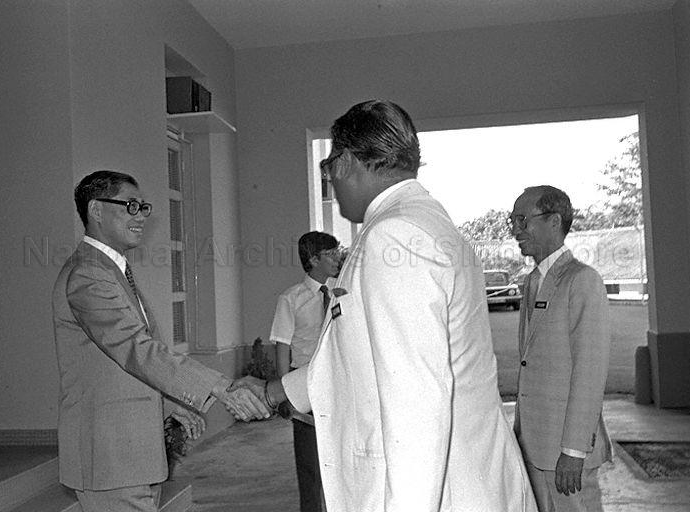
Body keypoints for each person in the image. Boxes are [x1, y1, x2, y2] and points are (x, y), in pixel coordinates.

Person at [239, 100, 537, 511]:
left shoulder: (395, 235)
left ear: (344, 162)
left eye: (328, 172)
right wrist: (274, 392)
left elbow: (416, 404)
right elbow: (356, 357)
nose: (332, 183)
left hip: (439, 488)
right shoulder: (422, 222)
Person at [52, 170, 270, 512]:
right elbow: (135, 350)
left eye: (143, 207)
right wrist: (220, 386)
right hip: (111, 455)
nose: (140, 216)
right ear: (96, 210)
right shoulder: (89, 275)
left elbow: (127, 360)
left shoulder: (111, 270)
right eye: (130, 206)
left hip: (132, 453)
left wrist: (172, 405)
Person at [509, 186, 612, 512]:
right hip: (533, 443)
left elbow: (589, 372)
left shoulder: (582, 280)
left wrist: (574, 451)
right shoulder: (532, 282)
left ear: (554, 221)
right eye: (512, 221)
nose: (516, 230)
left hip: (565, 452)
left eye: (523, 220)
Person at [270, 231, 341, 512]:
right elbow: (281, 346)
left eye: (337, 251)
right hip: (306, 387)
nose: (337, 258)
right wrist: (283, 394)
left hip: (341, 384)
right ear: (313, 259)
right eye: (330, 254)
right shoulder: (291, 299)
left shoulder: (342, 292)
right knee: (310, 465)